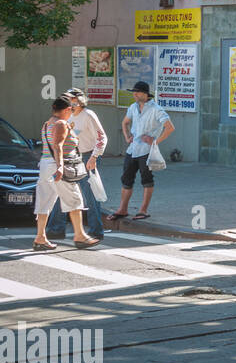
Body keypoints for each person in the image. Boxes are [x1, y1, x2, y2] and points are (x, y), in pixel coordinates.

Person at [33, 97, 98, 250]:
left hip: (45, 164)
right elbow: (58, 146)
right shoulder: (61, 123)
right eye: (72, 110)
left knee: (45, 201)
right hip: (58, 165)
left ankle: (40, 237)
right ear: (67, 109)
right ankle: (80, 236)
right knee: (74, 200)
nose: (72, 113)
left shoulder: (47, 124)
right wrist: (60, 167)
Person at [45, 88, 107, 241]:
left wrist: (94, 157)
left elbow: (102, 137)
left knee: (90, 195)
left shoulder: (88, 115)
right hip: (72, 157)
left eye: (72, 99)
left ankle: (96, 230)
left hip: (88, 156)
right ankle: (56, 228)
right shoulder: (67, 115)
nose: (70, 102)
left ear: (80, 100)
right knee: (63, 192)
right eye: (67, 99)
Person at [110, 81, 174, 221]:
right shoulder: (133, 107)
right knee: (126, 179)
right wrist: (127, 136)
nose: (134, 94)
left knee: (147, 180)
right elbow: (125, 122)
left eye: (137, 92)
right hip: (132, 149)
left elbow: (170, 127)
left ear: (145, 94)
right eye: (134, 92)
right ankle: (122, 209)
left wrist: (155, 142)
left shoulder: (156, 109)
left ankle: (143, 210)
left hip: (146, 150)